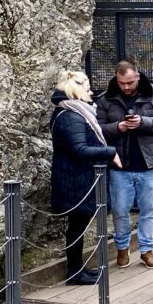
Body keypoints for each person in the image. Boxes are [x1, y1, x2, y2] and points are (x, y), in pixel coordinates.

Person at [96, 60, 153, 270]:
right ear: (116, 79)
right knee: (120, 211)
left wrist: (143, 122)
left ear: (138, 76)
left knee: (149, 210)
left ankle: (147, 250)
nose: (127, 87)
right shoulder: (105, 99)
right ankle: (122, 249)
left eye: (130, 82)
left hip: (149, 163)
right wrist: (117, 127)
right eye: (122, 83)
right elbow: (97, 129)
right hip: (120, 166)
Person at [51, 70, 119, 286]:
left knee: (77, 226)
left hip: (76, 178)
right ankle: (74, 271)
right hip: (75, 180)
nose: (92, 92)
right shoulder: (72, 116)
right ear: (78, 90)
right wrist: (110, 152)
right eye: (88, 87)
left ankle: (77, 268)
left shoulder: (72, 113)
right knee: (76, 227)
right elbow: (79, 149)